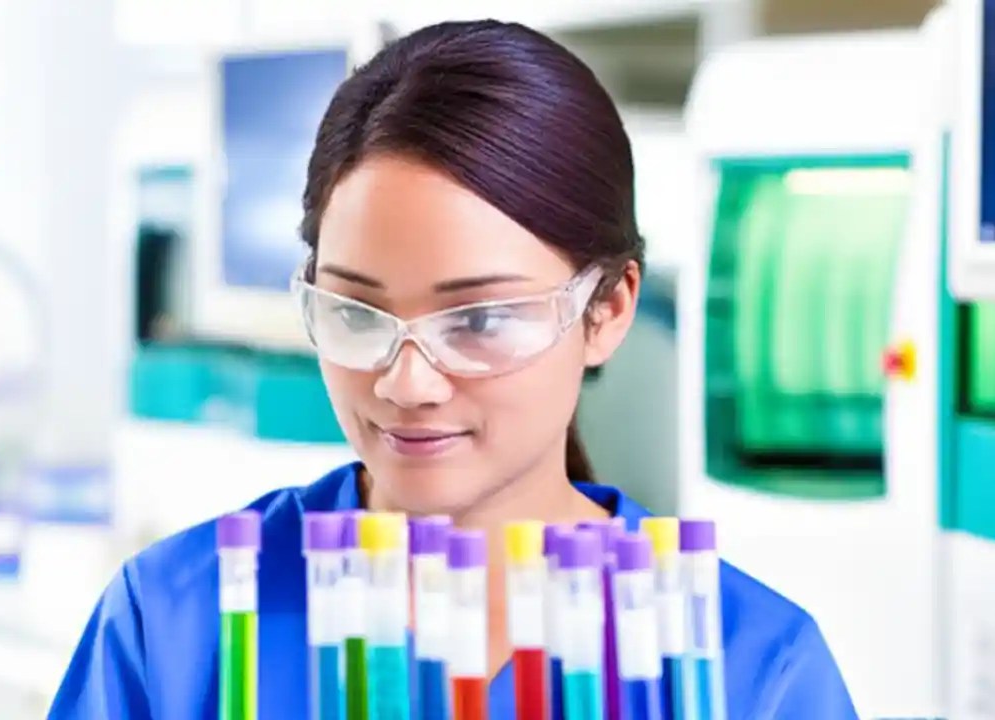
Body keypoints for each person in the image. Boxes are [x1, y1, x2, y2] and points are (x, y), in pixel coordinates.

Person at [49, 19, 858, 719]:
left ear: (607, 311)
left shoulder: (749, 667)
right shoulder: (178, 623)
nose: (407, 384)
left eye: (478, 319)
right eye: (357, 315)